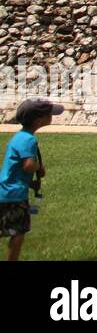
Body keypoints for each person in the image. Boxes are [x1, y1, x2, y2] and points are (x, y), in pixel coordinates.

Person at [2, 98, 63, 261]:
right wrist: (39, 167)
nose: (52, 116)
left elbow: (15, 169)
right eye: (49, 114)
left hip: (5, 191)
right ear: (38, 120)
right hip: (14, 195)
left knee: (6, 229)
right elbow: (28, 166)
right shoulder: (29, 139)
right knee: (18, 233)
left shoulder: (19, 137)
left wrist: (30, 183)